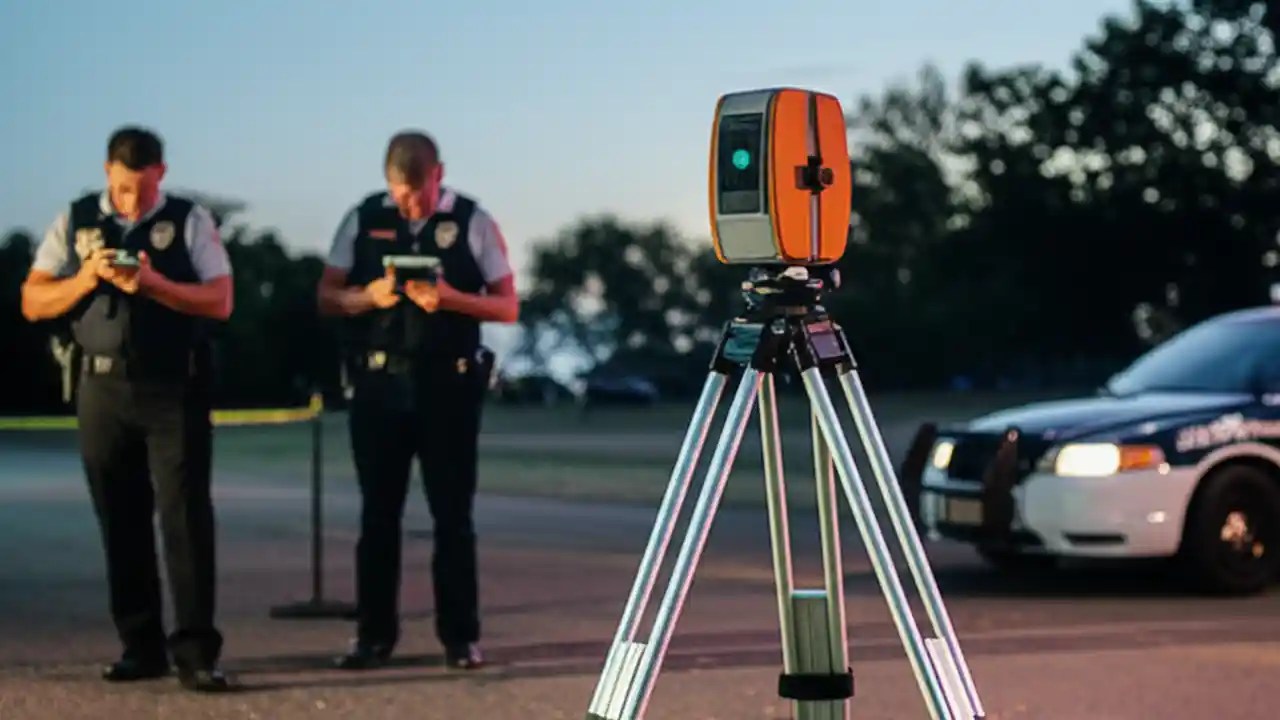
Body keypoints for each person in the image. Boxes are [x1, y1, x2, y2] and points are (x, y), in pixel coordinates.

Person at [19, 126, 235, 692]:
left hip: (173, 389)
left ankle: (195, 652)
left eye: (140, 190)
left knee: (184, 519)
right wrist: (86, 278)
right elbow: (33, 300)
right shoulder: (76, 219)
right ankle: (140, 646)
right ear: (107, 172)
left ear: (160, 173)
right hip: (101, 389)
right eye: (120, 189)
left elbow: (220, 299)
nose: (129, 201)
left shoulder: (190, 220)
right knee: (120, 519)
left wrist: (155, 284)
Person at [317, 130, 519, 671]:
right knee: (377, 518)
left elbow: (507, 306)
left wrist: (449, 298)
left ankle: (459, 638)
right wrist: (368, 297)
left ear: (439, 175)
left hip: (447, 387)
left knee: (452, 517)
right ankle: (373, 637)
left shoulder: (473, 220)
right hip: (380, 386)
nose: (410, 205)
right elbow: (326, 295)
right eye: (401, 195)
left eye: (420, 194)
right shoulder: (362, 218)